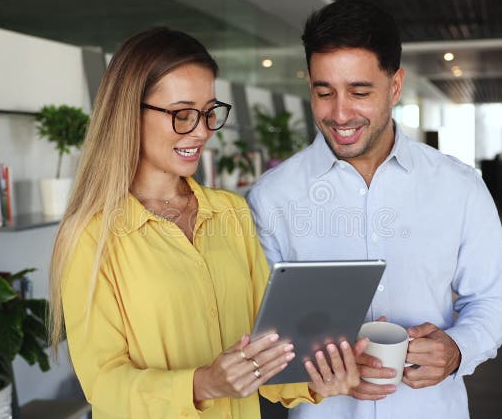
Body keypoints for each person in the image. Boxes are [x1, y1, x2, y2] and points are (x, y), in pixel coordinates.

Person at [48, 27, 366, 419]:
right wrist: (202, 384)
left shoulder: (231, 212)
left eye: (209, 112)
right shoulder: (90, 236)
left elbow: (265, 350)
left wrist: (319, 374)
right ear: (130, 113)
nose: (201, 131)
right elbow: (104, 385)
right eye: (182, 114)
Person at [247, 0, 502, 418]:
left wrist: (458, 348)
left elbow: (493, 298)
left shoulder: (459, 186)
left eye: (359, 92)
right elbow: (258, 332)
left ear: (394, 86)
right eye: (324, 92)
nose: (340, 113)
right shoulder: (271, 199)